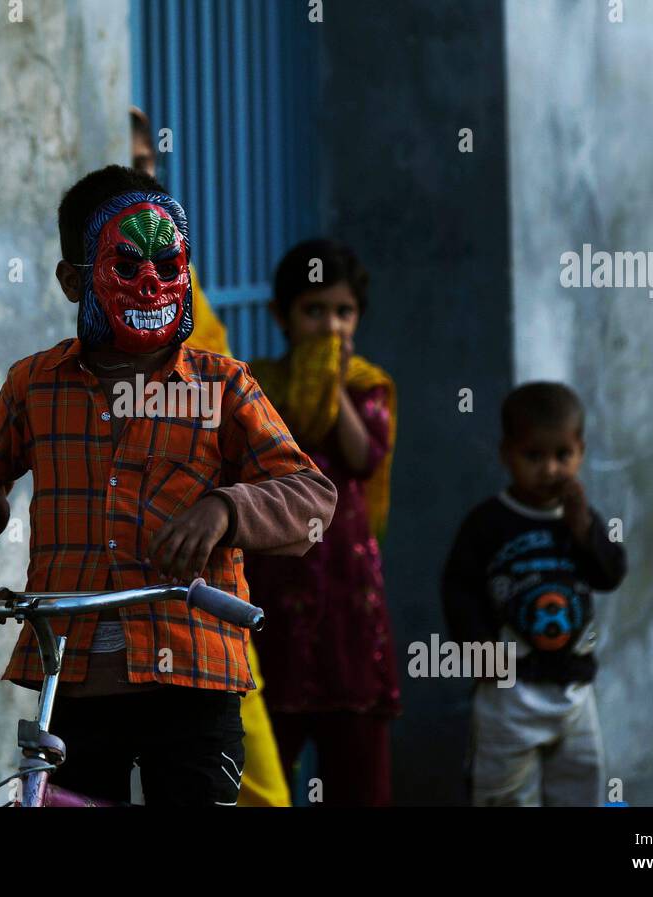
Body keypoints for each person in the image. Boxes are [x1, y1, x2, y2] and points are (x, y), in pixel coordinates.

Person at [0, 165, 337, 806]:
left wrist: (226, 510)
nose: (151, 284)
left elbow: (310, 496)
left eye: (168, 263)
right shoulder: (34, 387)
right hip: (75, 687)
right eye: (125, 266)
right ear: (72, 281)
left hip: (196, 683)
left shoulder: (222, 387)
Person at [130, 104, 291, 809]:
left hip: (191, 563)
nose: (140, 186)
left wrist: (221, 504)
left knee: (240, 769)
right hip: (98, 572)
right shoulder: (80, 308)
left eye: (148, 170)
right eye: (125, 168)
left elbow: (277, 465)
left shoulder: (175, 281)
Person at [245, 239, 403, 807]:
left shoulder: (367, 387)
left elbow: (365, 458)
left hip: (347, 597)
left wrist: (330, 385)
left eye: (343, 312)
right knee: (266, 756)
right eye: (314, 311)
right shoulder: (257, 386)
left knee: (359, 768)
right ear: (282, 317)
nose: (330, 325)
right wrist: (304, 386)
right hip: (278, 589)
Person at [441, 382, 627, 806]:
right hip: (510, 690)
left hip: (574, 691)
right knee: (504, 796)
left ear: (580, 450)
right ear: (508, 454)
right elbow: (459, 590)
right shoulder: (488, 523)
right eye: (534, 456)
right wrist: (479, 650)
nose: (550, 470)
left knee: (581, 788)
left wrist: (585, 530)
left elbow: (610, 574)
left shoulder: (580, 519)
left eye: (563, 455)